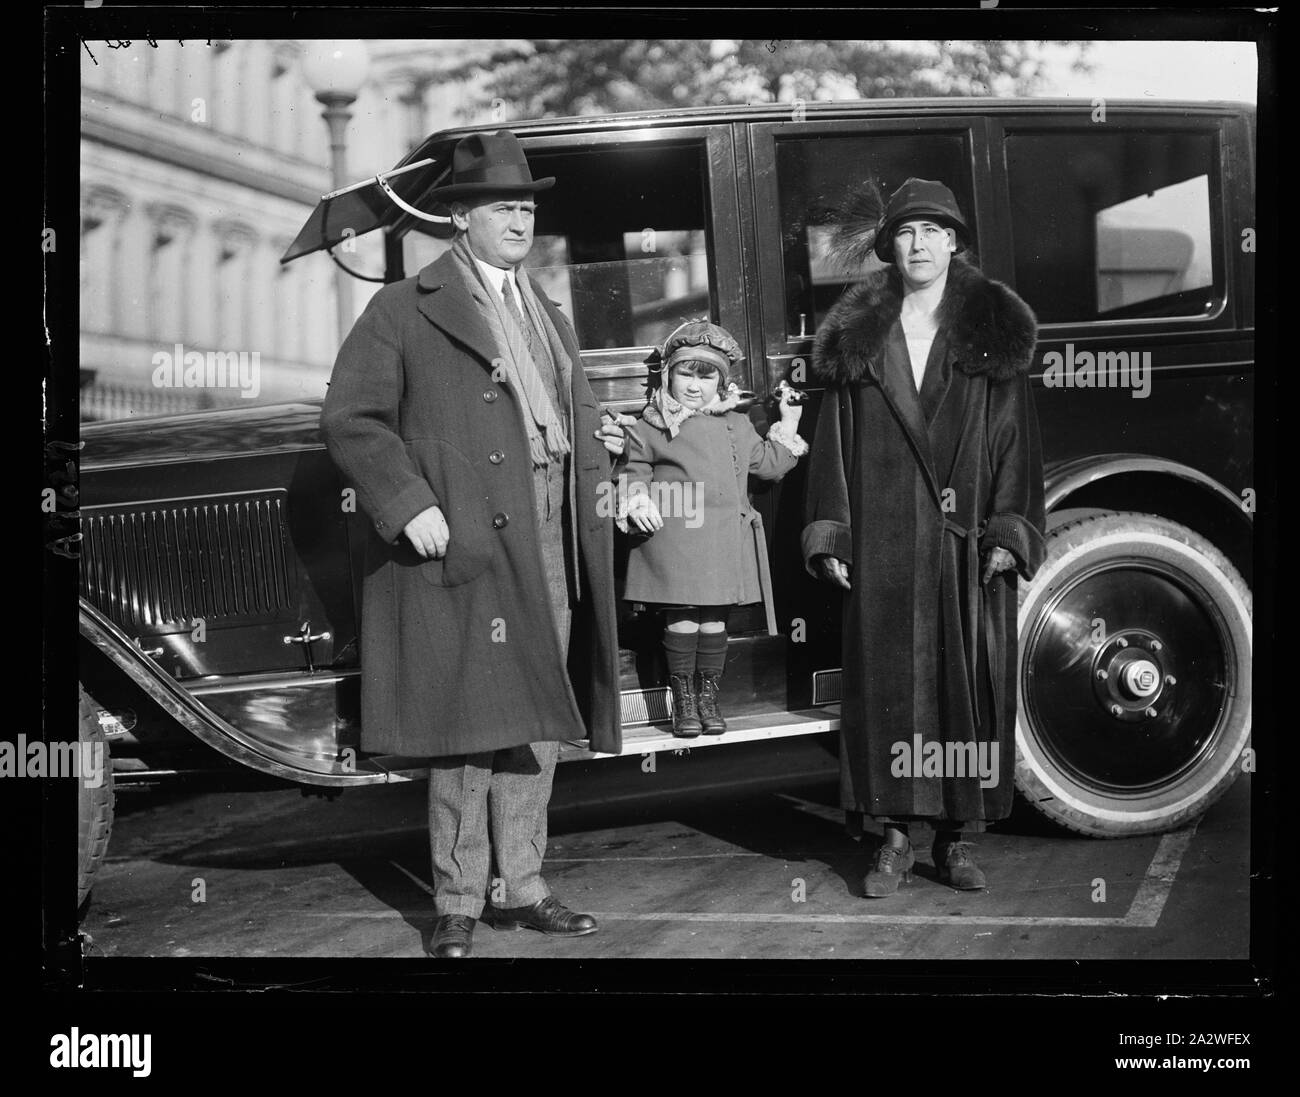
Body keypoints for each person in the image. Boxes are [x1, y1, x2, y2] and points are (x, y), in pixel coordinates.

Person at [320, 131, 629, 957]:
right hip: (461, 530)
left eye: (528, 206)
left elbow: (569, 418)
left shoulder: (547, 309)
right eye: (503, 206)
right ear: (461, 217)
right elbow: (350, 417)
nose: (522, 219)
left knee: (534, 714)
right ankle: (457, 899)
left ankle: (521, 888)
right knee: (467, 719)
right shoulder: (403, 305)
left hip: (553, 524)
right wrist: (406, 499)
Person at [801, 178, 1045, 896]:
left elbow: (1015, 442)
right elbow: (833, 445)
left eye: (934, 231)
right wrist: (835, 533)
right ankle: (895, 838)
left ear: (954, 243)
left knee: (962, 687)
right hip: (885, 544)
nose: (920, 244)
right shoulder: (859, 339)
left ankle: (958, 837)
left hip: (964, 542)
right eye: (907, 232)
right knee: (890, 692)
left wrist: (1008, 526)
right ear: (890, 246)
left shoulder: (989, 330)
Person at [616, 321, 807, 738]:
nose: (694, 386)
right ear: (668, 375)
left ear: (721, 383)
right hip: (675, 540)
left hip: (722, 540)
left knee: (714, 622)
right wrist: (636, 498)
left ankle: (708, 700)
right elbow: (634, 469)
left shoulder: (735, 424)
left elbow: (768, 464)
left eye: (706, 377)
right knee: (683, 619)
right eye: (686, 373)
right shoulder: (651, 424)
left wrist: (789, 423)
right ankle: (683, 702)